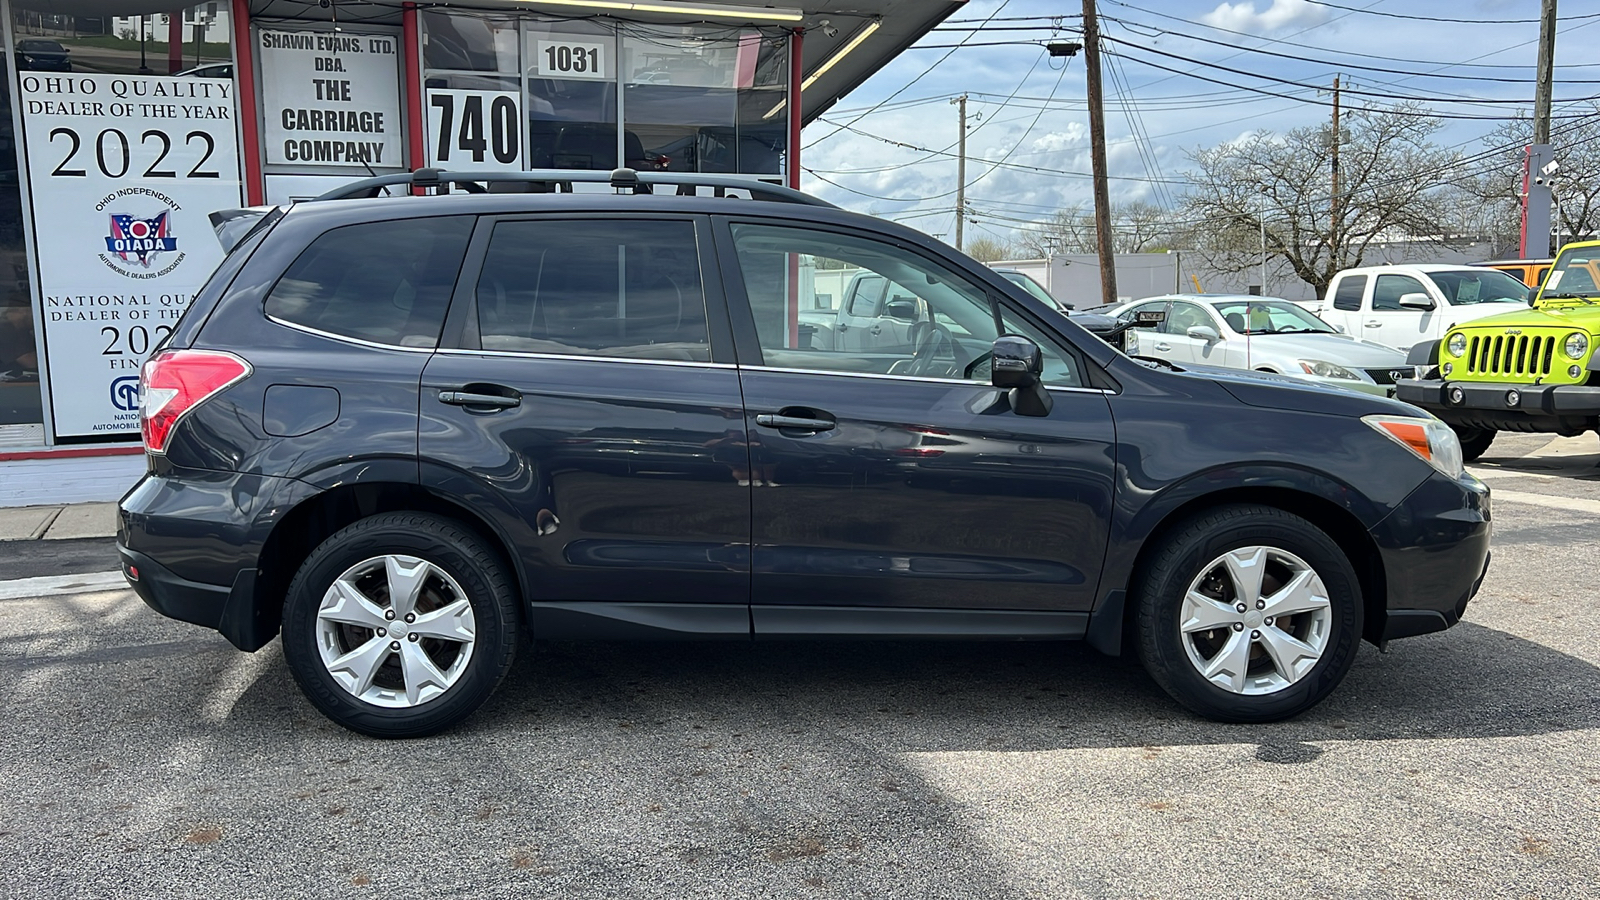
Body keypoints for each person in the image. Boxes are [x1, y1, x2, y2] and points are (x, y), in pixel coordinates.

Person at [0, 298, 38, 380]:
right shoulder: (5, 330)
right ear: (22, 311)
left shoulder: (24, 332)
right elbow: (31, 363)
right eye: (32, 311)